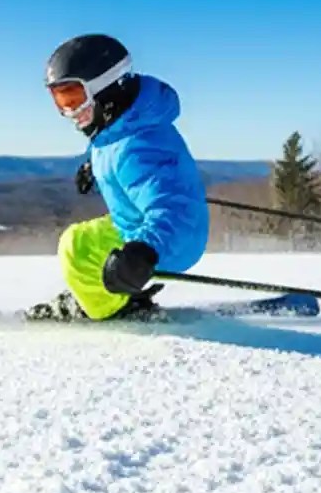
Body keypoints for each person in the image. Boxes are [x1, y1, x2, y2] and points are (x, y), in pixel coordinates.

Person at [27, 33, 210, 322]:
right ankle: (97, 294)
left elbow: (175, 211)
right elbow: (114, 151)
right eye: (60, 100)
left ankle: (110, 309)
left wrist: (144, 252)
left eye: (73, 98)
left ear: (107, 88)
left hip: (165, 240)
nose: (68, 112)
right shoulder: (121, 125)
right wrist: (94, 167)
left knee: (76, 246)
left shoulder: (142, 145)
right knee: (83, 240)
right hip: (138, 225)